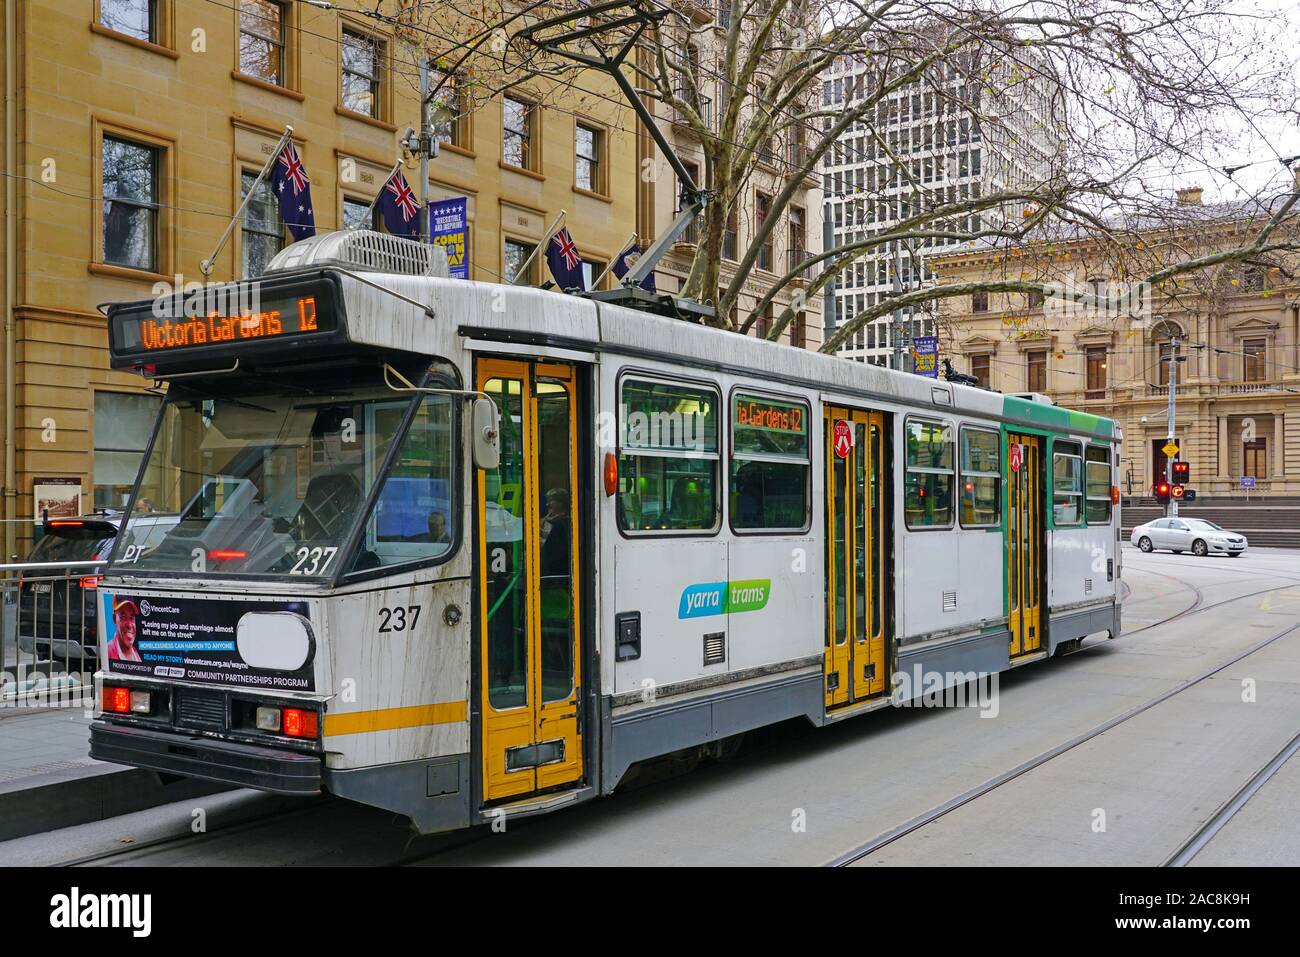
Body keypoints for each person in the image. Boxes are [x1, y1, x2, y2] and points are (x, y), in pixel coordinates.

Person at [539, 488, 570, 578]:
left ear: (561, 503)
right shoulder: (543, 522)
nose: (547, 504)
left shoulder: (566, 524)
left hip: (557, 574)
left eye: (551, 501)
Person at [106, 598, 143, 663]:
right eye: (123, 617)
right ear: (114, 618)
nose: (129, 625)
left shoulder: (136, 655)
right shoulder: (108, 651)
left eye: (131, 618)